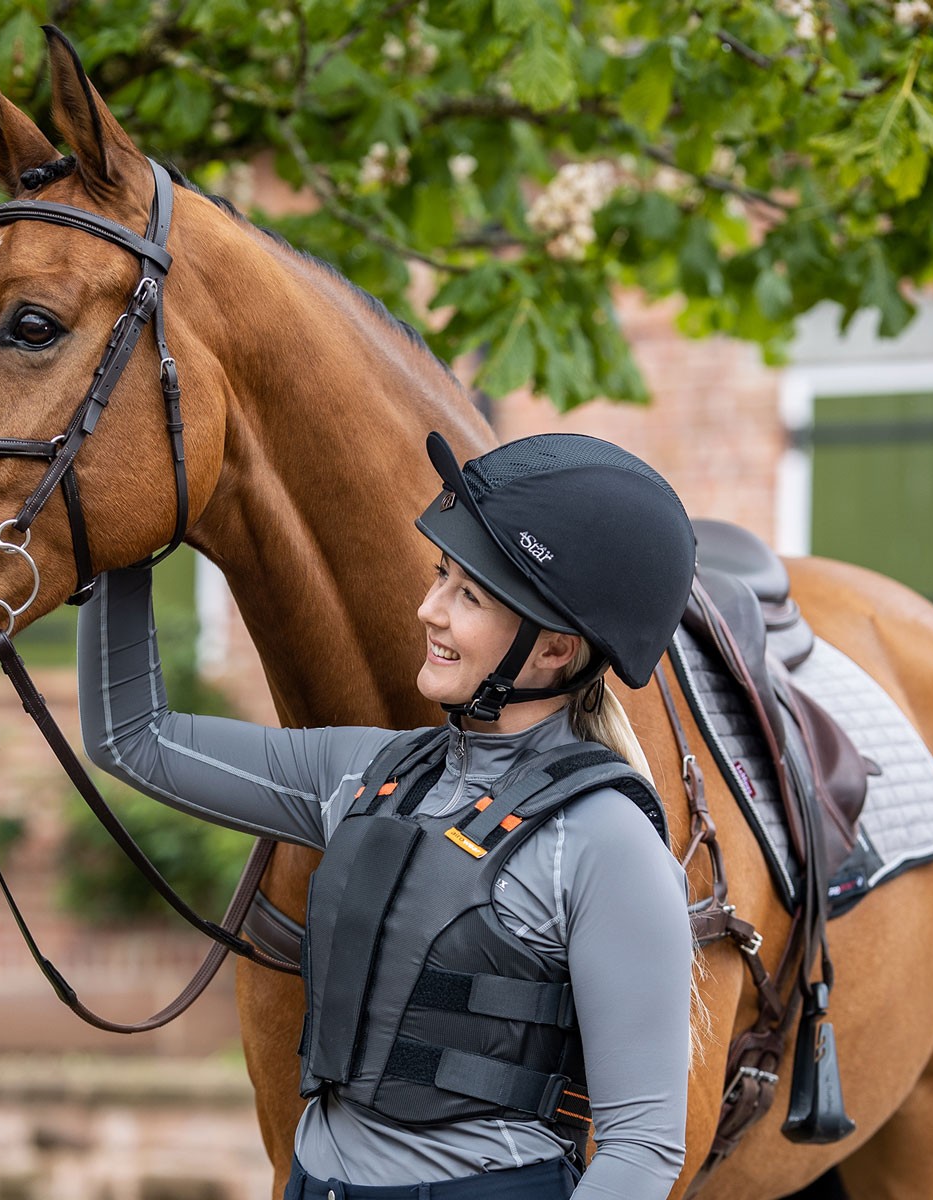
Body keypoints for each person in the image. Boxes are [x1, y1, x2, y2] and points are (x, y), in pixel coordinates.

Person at [77, 431, 697, 1199]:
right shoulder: (369, 774)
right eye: (441, 576)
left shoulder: (606, 843)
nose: (427, 609)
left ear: (555, 652)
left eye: (468, 596)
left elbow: (642, 1149)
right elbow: (134, 739)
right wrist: (115, 531)